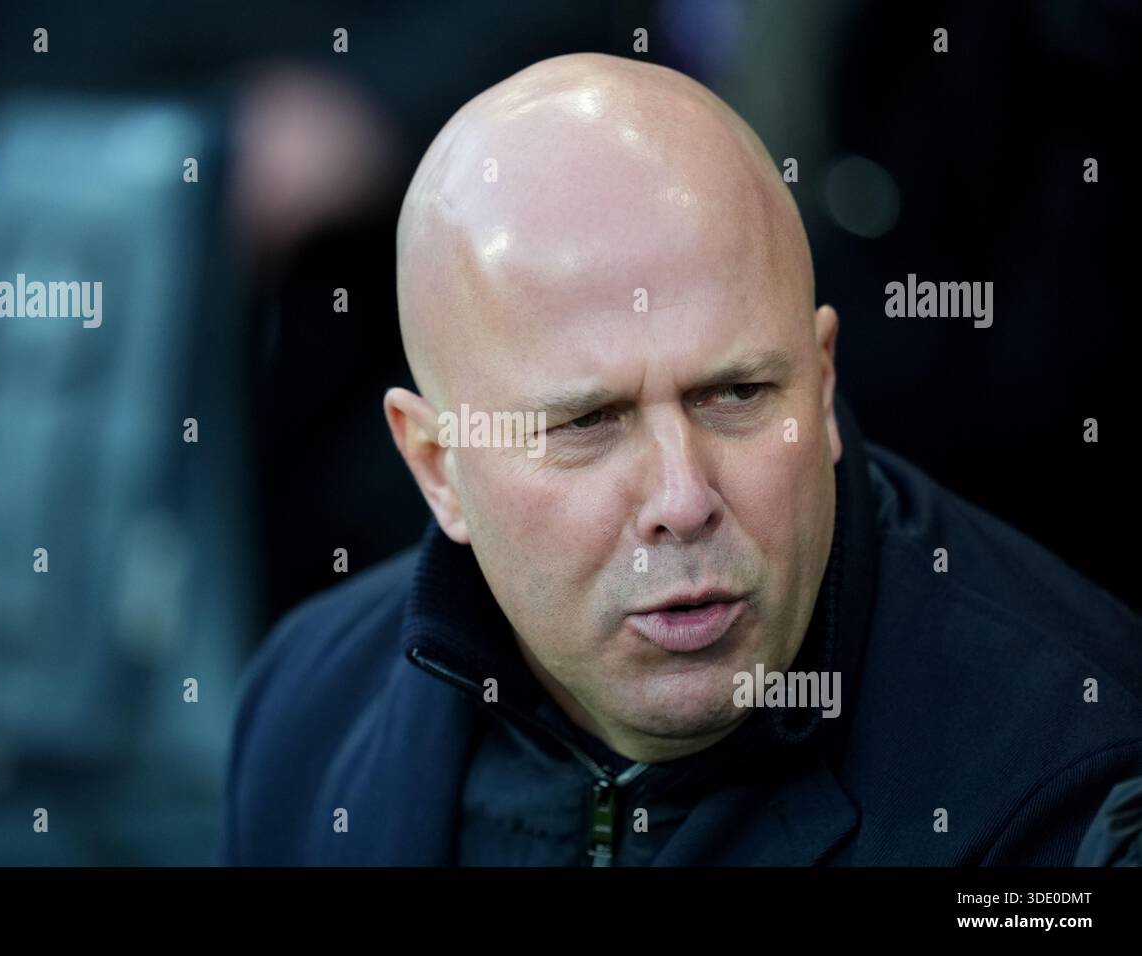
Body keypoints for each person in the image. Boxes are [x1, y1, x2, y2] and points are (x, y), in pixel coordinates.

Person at [222, 53, 1142, 866]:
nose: (683, 496)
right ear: (435, 466)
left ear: (821, 387)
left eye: (736, 395)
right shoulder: (308, 710)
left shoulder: (1072, 787)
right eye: (587, 422)